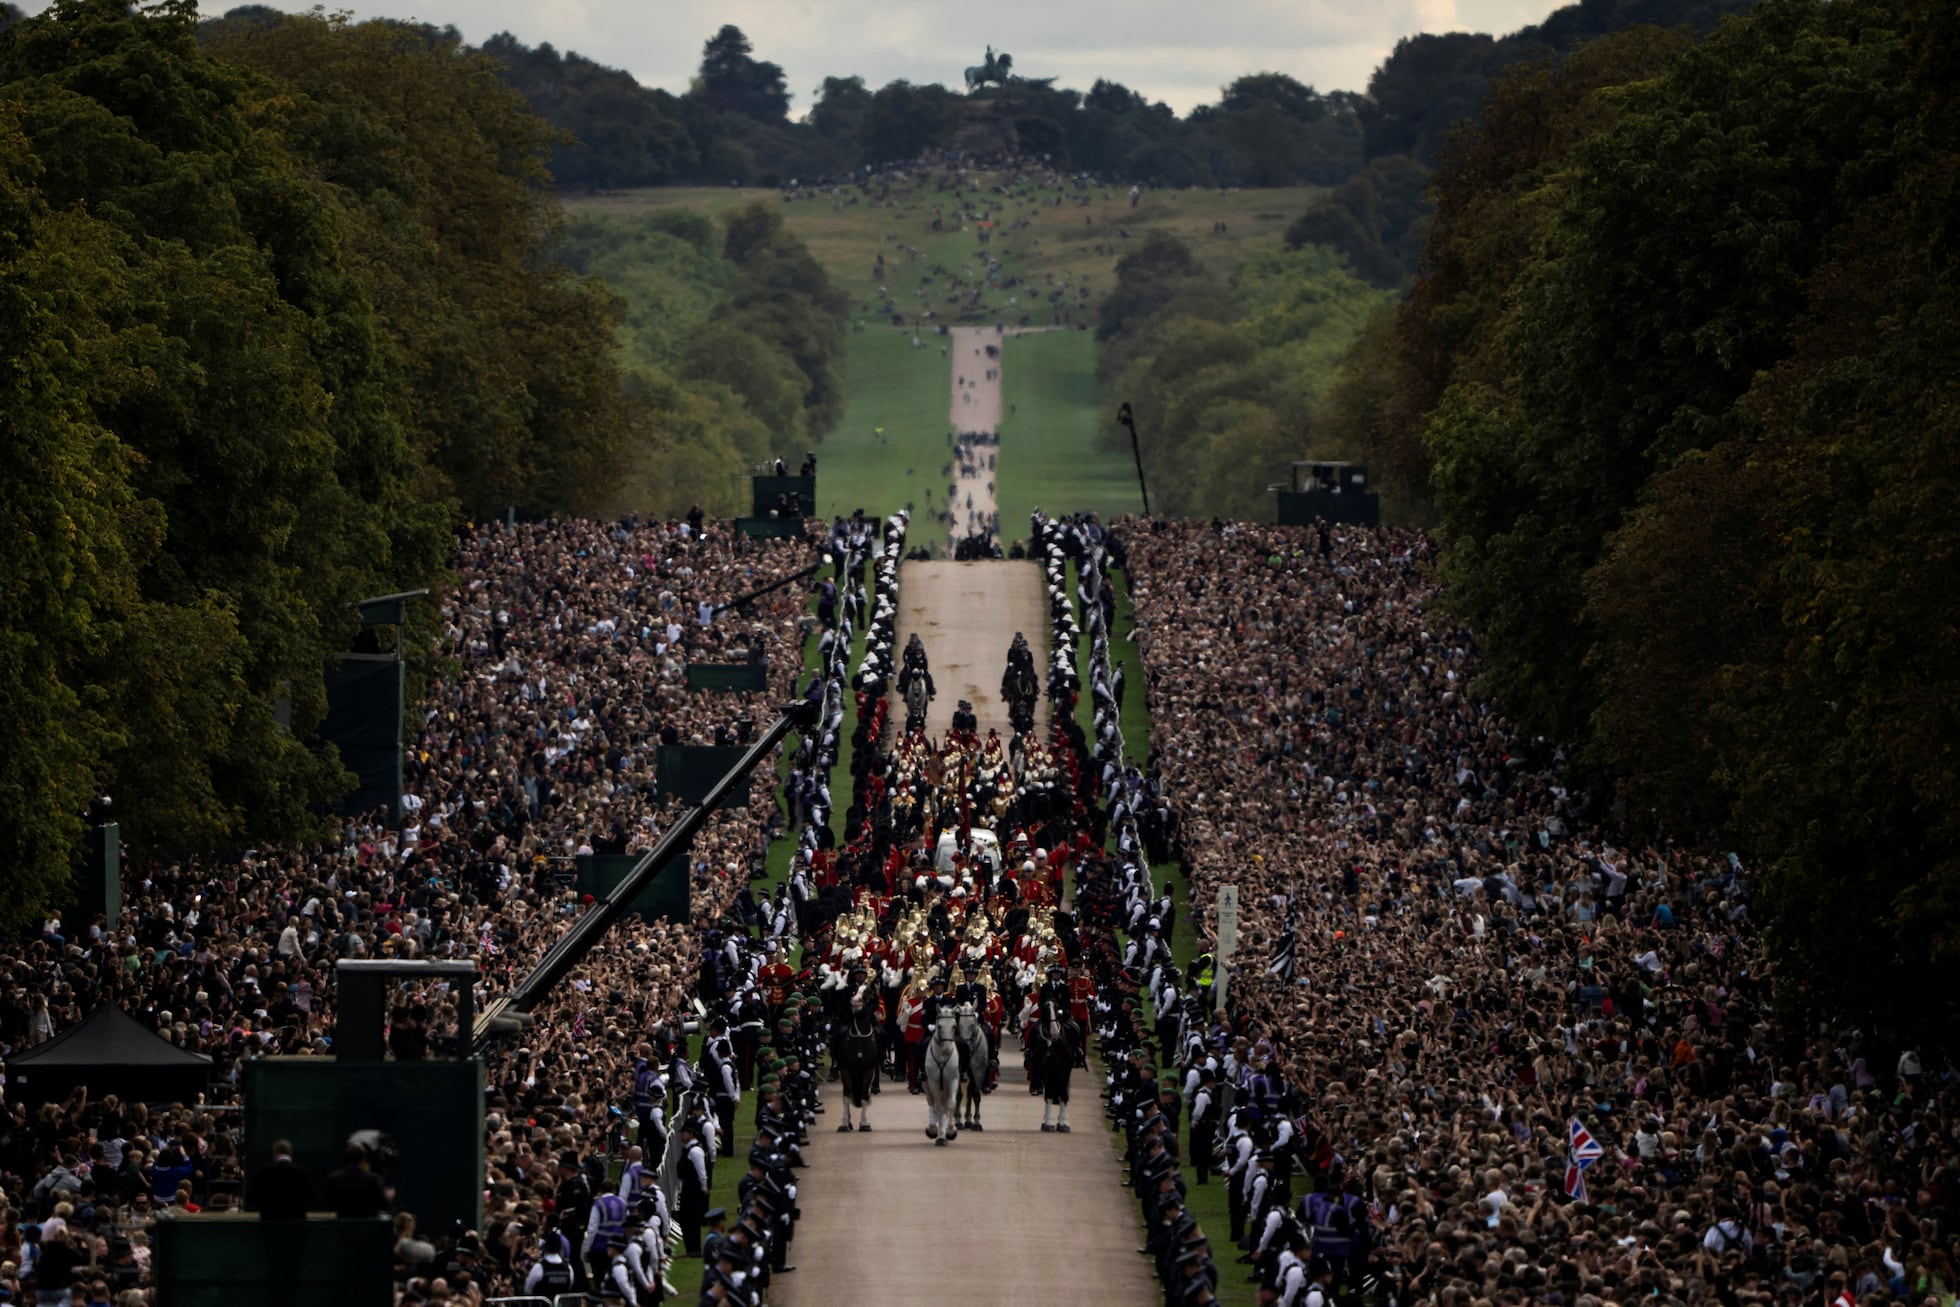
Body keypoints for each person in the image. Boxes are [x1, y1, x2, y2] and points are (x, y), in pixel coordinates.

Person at [249, 1140, 313, 1219]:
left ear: (274, 1153)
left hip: (270, 1224)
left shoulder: (263, 1172)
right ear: (290, 1153)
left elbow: (253, 1197)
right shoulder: (302, 1172)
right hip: (296, 1224)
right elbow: (310, 1197)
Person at [323, 1141, 389, 1219]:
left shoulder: (333, 1178)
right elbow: (383, 1205)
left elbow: (330, 1205)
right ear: (363, 1160)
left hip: (342, 1226)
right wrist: (388, 1197)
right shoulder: (372, 1179)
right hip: (367, 1227)